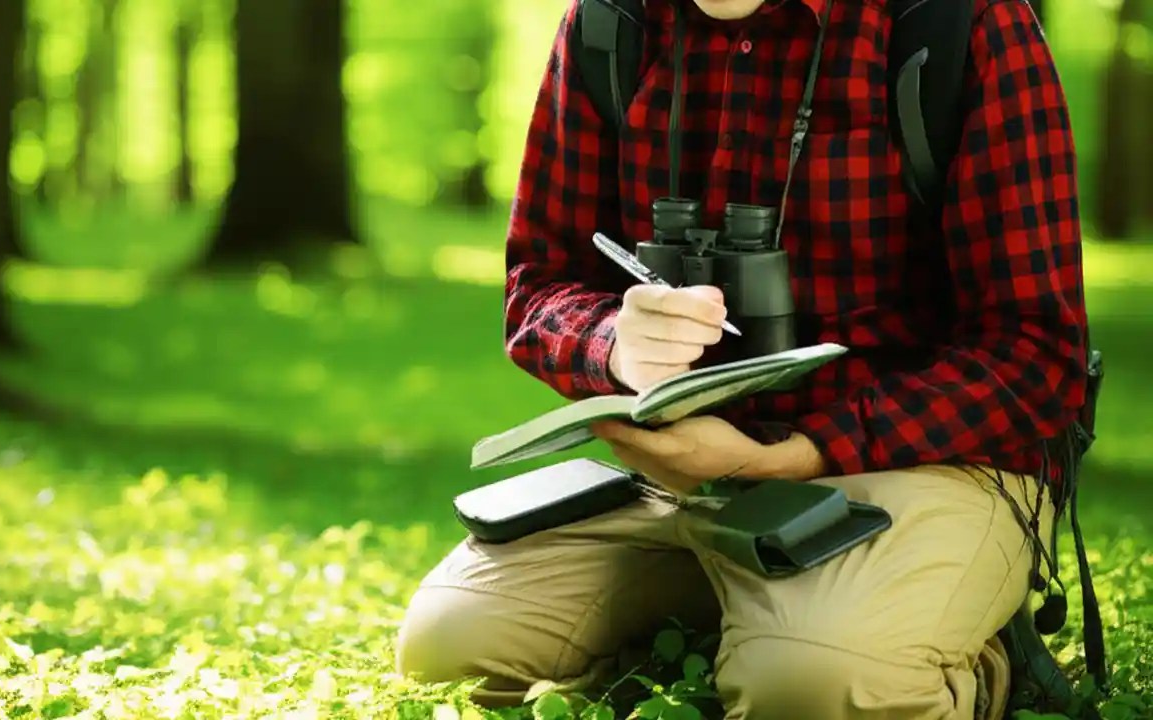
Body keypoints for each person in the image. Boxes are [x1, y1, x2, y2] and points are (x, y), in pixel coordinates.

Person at [395, 0, 1091, 717]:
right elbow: (540, 281)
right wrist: (612, 344)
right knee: (450, 648)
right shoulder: (610, 24)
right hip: (679, 484)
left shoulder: (958, 22)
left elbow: (1035, 351)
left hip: (917, 467)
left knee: (817, 684)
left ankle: (962, 659)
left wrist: (797, 456)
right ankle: (756, 640)